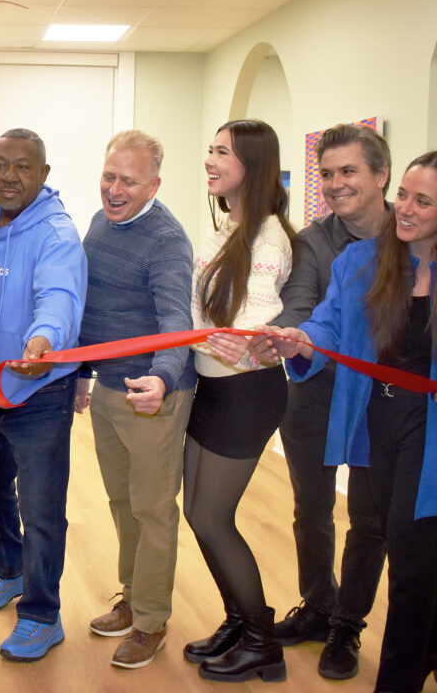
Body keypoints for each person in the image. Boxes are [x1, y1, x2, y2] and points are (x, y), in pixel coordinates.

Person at [260, 152, 437, 693]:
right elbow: (328, 325)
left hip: (428, 431)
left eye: (422, 201)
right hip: (377, 421)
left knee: (410, 558)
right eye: (404, 195)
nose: (405, 208)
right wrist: (301, 340)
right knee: (407, 547)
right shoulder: (360, 261)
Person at [255, 124, 389, 680]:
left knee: (369, 518)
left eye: (348, 171)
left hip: (381, 400)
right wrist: (287, 334)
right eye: (327, 174)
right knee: (311, 508)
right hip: (314, 388)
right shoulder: (311, 241)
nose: (335, 184)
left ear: (381, 175)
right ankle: (318, 605)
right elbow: (303, 308)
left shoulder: (411, 238)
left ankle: (346, 624)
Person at [0, 129, 86, 662]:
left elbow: (58, 296)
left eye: (23, 167)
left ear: (43, 174)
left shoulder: (57, 233)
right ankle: (10, 568)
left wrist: (45, 339)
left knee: (41, 510)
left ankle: (41, 614)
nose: (9, 177)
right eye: (0, 165)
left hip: (40, 393)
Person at [76, 130, 196, 669]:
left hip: (153, 396)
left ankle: (151, 620)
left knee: (152, 509)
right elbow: (91, 304)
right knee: (122, 503)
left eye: (128, 180)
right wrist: (82, 371)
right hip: (108, 387)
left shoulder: (167, 241)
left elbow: (176, 320)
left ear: (154, 185)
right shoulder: (100, 222)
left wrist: (163, 378)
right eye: (109, 176)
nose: (114, 189)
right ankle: (132, 597)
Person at [182, 119, 294, 683]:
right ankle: (238, 621)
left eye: (222, 152)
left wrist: (240, 339)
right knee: (195, 511)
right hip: (213, 386)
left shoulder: (268, 238)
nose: (209, 159)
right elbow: (199, 313)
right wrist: (207, 337)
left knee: (212, 516)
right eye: (210, 149)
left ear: (252, 164)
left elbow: (257, 316)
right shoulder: (227, 225)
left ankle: (262, 642)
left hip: (246, 394)